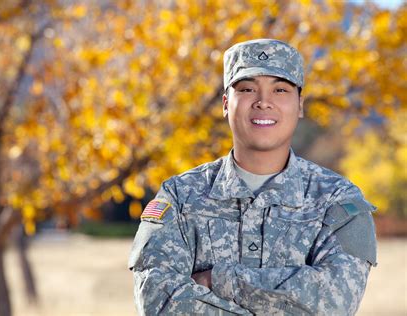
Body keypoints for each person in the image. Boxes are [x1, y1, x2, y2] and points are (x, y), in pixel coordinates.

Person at [128, 39, 377, 315]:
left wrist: (219, 280)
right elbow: (158, 302)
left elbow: (336, 301)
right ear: (225, 103)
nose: (263, 102)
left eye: (280, 89)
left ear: (299, 105)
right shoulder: (180, 197)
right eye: (247, 89)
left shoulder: (337, 201)